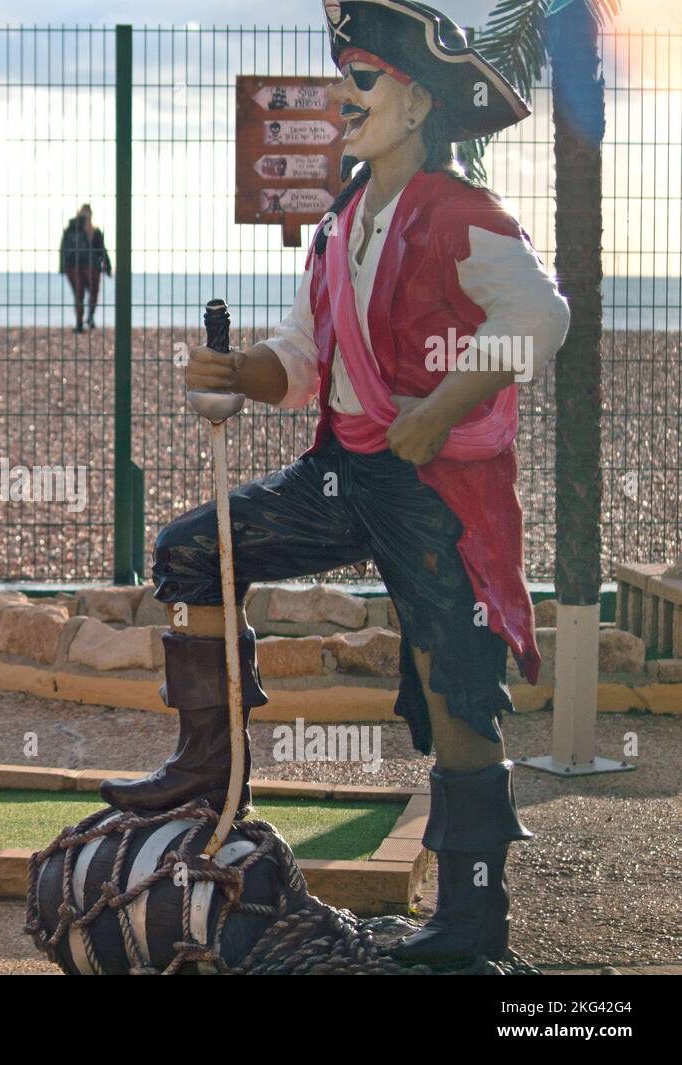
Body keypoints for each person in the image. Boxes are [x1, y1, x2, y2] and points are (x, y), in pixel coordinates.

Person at [100, 0, 570, 969]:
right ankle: (209, 771)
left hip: (427, 485)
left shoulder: (460, 215)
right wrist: (242, 376)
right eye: (339, 76)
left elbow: (538, 316)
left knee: (454, 695)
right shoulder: (337, 225)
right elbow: (303, 359)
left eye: (359, 77)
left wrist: (439, 410)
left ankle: (471, 927)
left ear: (417, 96)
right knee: (194, 548)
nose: (340, 97)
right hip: (341, 471)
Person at [59, 203, 112, 333]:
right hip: (80, 267)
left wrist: (107, 264)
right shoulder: (76, 229)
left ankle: (85, 320)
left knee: (85, 294)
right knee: (84, 294)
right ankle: (84, 320)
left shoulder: (90, 230)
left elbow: (101, 249)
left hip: (83, 267)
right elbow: (101, 250)